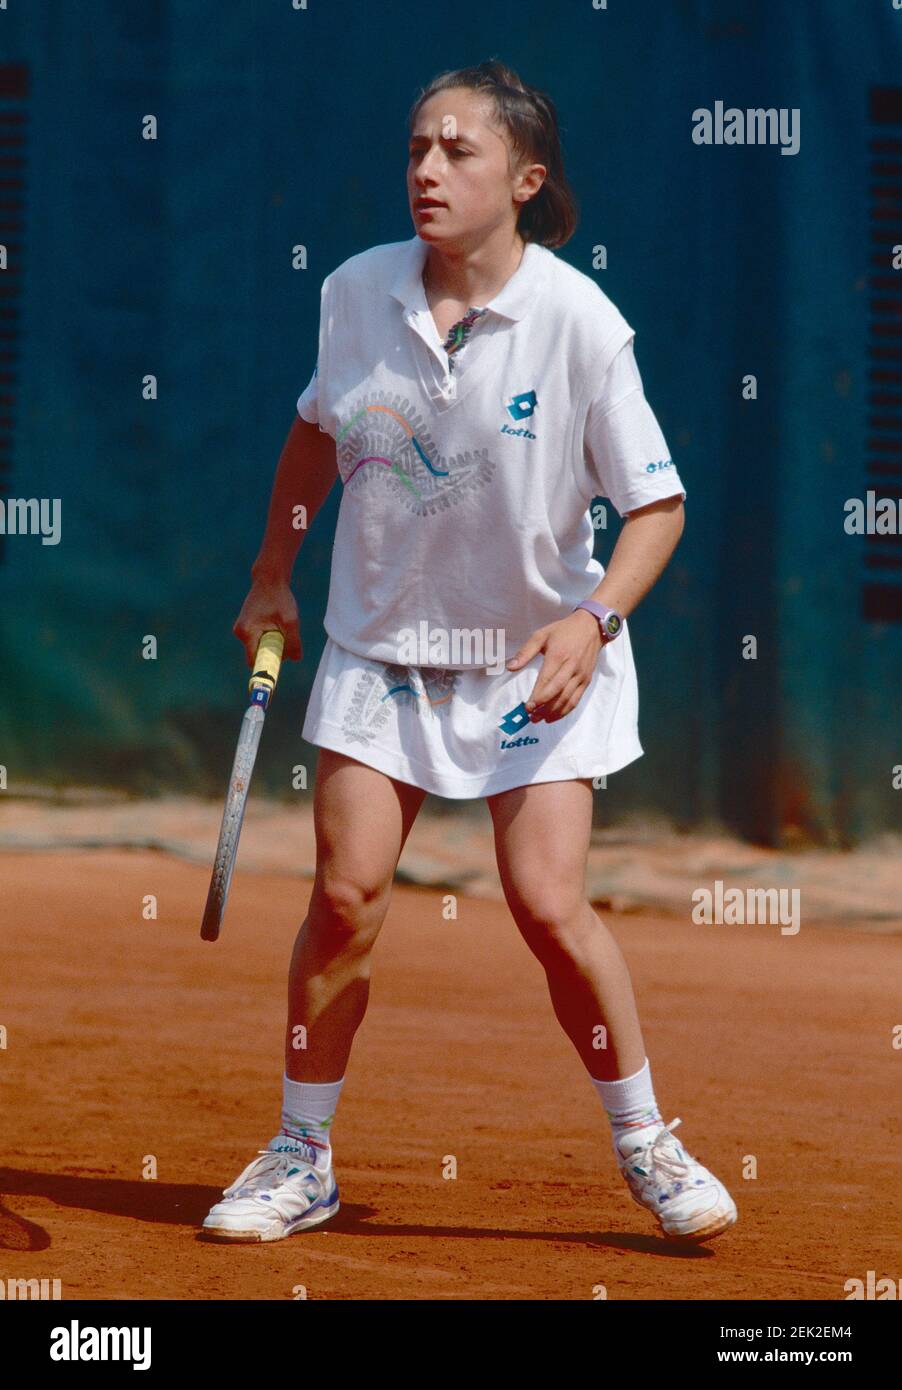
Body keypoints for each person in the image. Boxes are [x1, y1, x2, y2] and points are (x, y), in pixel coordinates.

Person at [201, 60, 737, 1246]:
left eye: (457, 151)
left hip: (532, 664)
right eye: (414, 149)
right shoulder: (352, 293)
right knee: (343, 898)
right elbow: (310, 434)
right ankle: (300, 1152)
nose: (426, 170)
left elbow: (655, 507)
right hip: (378, 654)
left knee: (548, 905)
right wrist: (272, 567)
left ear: (524, 179)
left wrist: (592, 620)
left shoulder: (581, 322)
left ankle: (646, 1138)